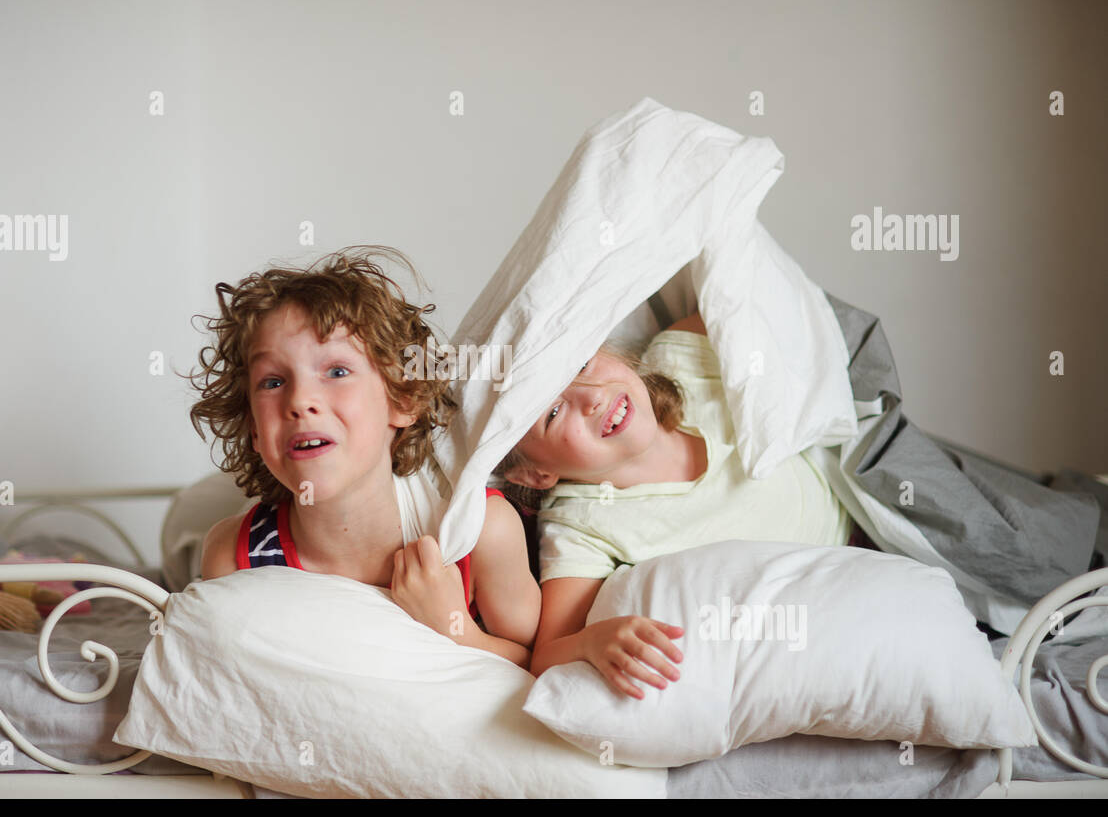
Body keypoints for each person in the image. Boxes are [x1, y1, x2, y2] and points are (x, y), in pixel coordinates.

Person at [188, 246, 541, 668]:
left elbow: (535, 664)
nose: (300, 401)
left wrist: (454, 630)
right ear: (254, 429)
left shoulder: (478, 532)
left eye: (336, 371)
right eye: (273, 381)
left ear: (403, 398)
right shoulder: (233, 556)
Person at [495, 312, 856, 697]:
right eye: (552, 412)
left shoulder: (680, 361)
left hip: (860, 506)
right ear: (535, 475)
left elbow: (746, 296)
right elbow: (547, 654)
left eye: (581, 363)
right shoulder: (582, 523)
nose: (592, 395)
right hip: (831, 602)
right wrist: (590, 642)